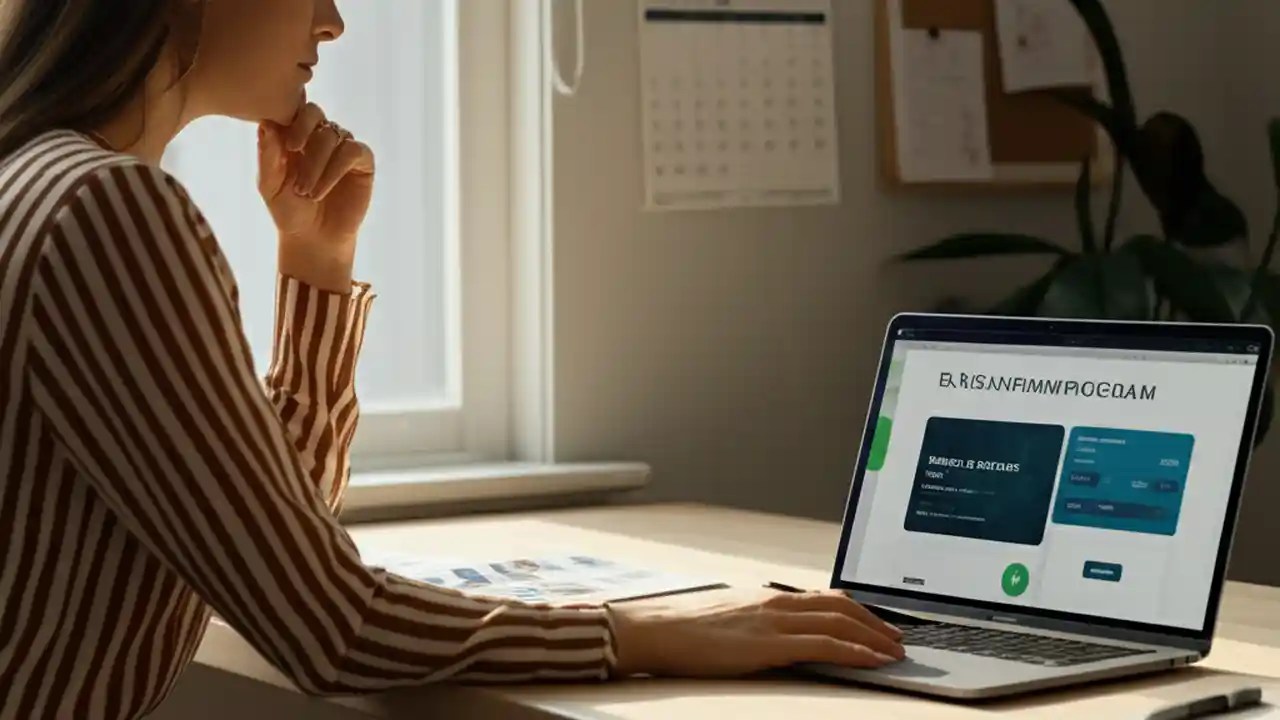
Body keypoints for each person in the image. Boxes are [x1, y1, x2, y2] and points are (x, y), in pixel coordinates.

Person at [0, 1, 905, 717]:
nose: (334, 21)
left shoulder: (38, 186)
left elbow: (273, 554)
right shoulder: (103, 210)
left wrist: (316, 270)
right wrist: (642, 633)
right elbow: (330, 626)